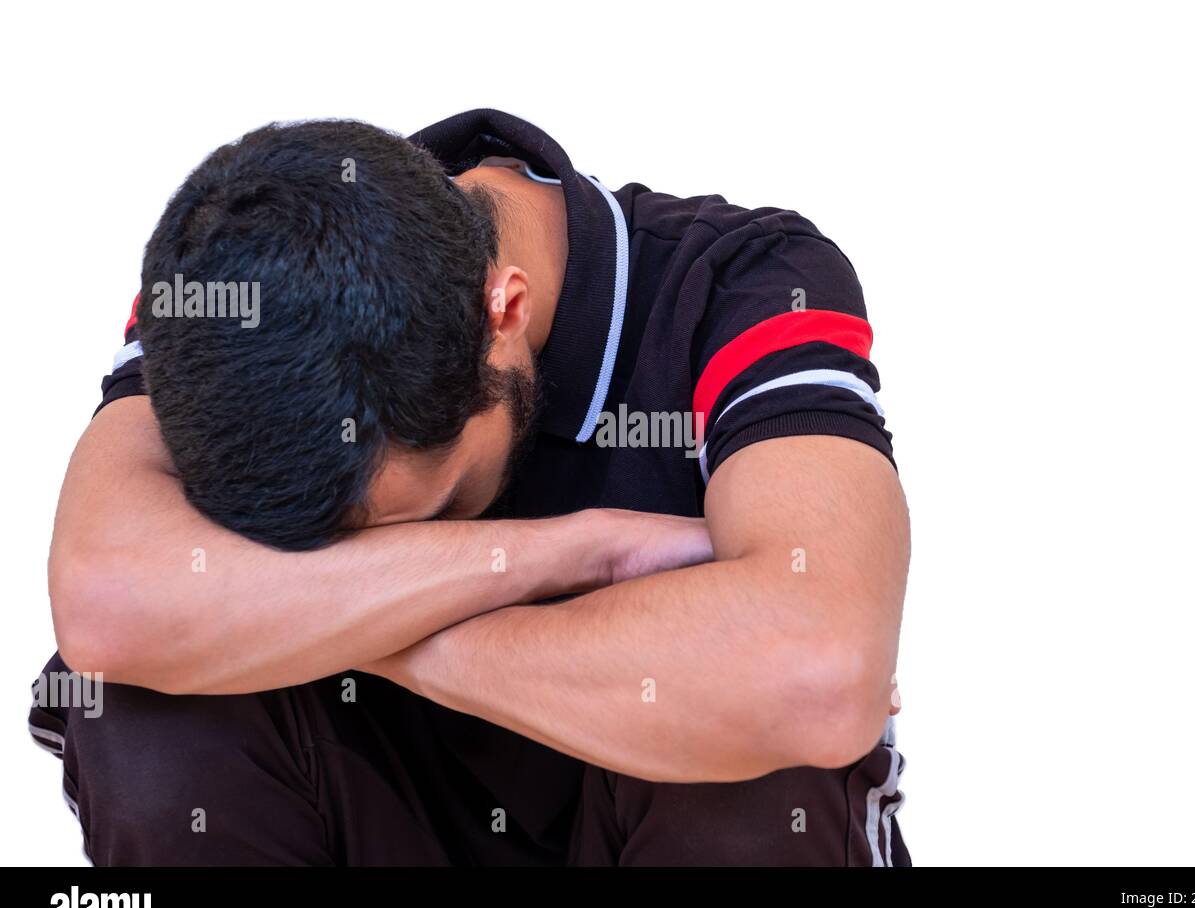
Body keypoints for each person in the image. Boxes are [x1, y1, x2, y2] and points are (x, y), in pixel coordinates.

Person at [31, 109, 910, 865]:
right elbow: (107, 605)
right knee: (142, 705)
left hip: (648, 819)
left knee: (757, 737)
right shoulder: (234, 286)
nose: (391, 559)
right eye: (339, 549)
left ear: (505, 309)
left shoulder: (746, 282)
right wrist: (573, 556)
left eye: (442, 504)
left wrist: (295, 618)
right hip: (366, 813)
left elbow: (818, 672)